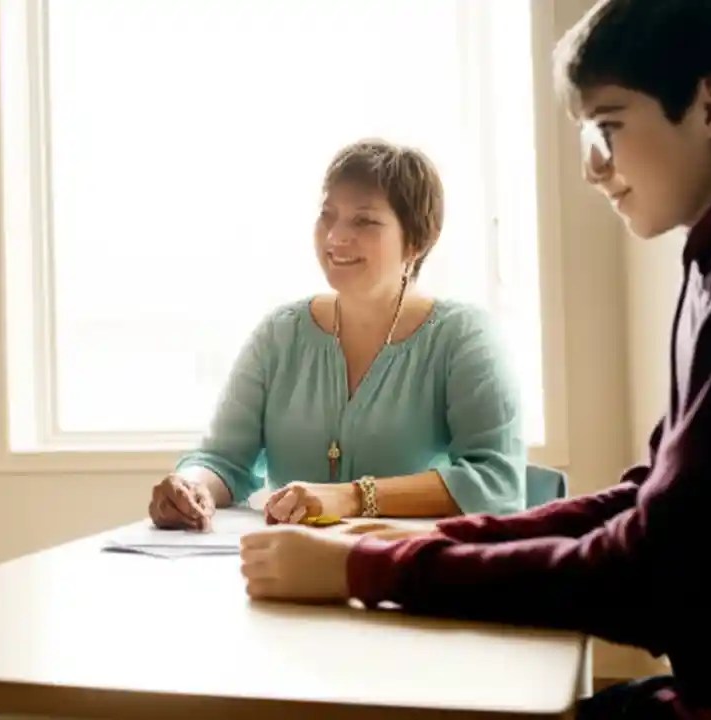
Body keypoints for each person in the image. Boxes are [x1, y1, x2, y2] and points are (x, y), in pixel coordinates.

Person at [239, 1, 711, 717]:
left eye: (608, 126)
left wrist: (368, 568)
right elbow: (651, 497)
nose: (592, 168)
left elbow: (653, 571)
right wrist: (435, 537)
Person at [149, 139, 527, 531]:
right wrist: (191, 486)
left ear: (416, 241)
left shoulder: (464, 339)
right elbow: (221, 461)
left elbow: (496, 482)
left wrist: (354, 497)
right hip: (288, 561)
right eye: (328, 215)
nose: (335, 237)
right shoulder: (279, 335)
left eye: (364, 221)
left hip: (411, 564)